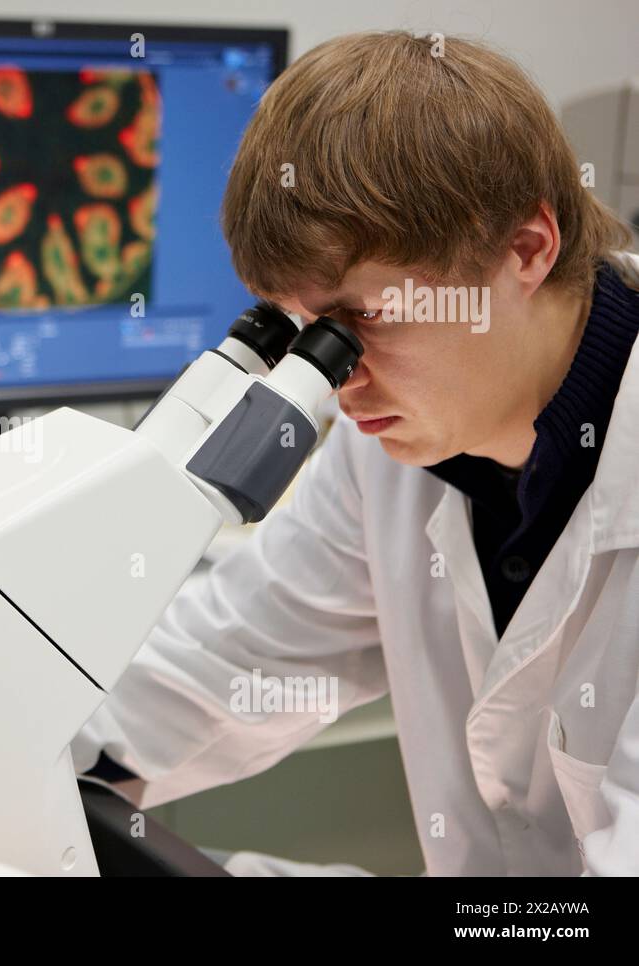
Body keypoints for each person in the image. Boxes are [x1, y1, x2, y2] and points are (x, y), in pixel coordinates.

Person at [72, 30, 639, 876]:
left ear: (526, 250)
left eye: (361, 321)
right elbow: (226, 664)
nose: (335, 381)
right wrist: (12, 754)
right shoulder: (402, 450)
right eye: (304, 332)